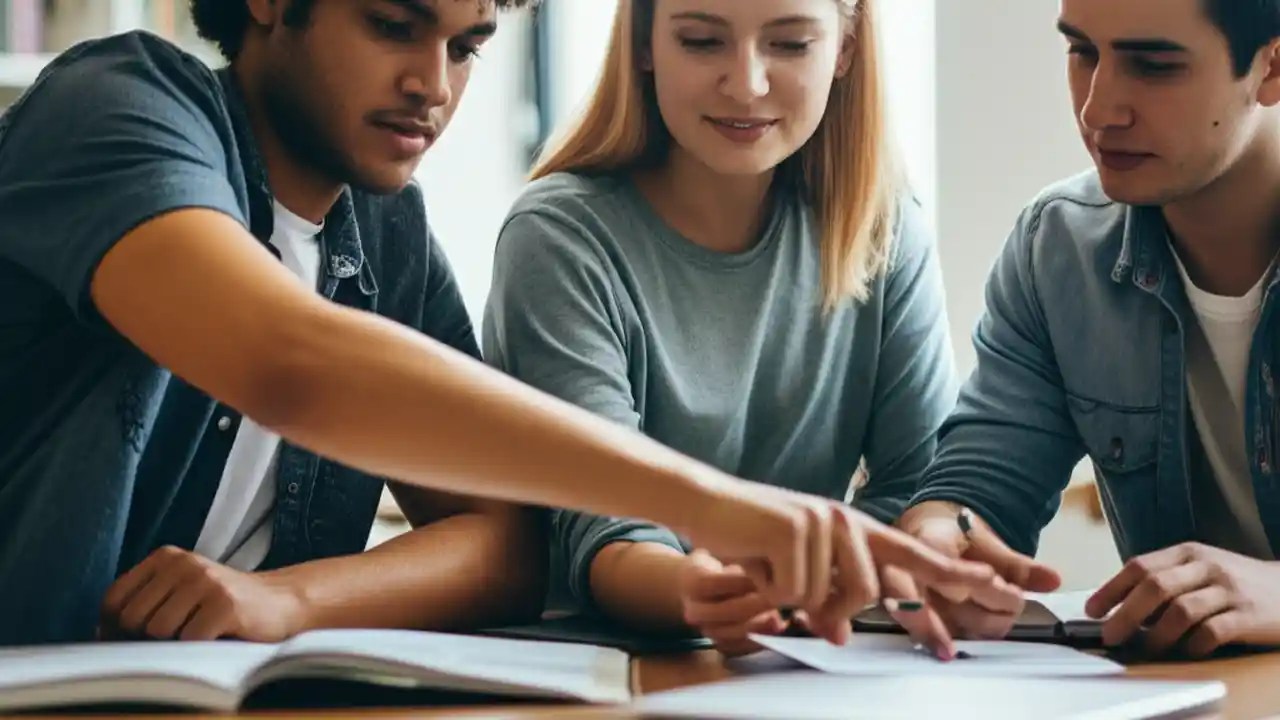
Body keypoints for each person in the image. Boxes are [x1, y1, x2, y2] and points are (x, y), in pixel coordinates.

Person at [0, 0, 995, 646]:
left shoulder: (385, 234)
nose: (434, 86)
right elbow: (285, 362)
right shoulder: (116, 108)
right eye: (394, 26)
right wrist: (712, 503)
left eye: (466, 46)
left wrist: (289, 601)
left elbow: (505, 547)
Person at [483, 0, 1016, 659]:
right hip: (604, 667)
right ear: (645, 45)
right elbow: (603, 527)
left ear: (844, 49)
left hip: (811, 663)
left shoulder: (885, 227)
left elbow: (919, 489)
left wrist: (929, 553)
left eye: (790, 45)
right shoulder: (560, 238)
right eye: (703, 42)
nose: (747, 83)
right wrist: (710, 589)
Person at [898, 0, 1280, 659]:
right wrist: (940, 543)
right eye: (1082, 52)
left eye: (1154, 66)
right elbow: (974, 492)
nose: (1099, 109)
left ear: (1272, 66)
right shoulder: (1060, 249)